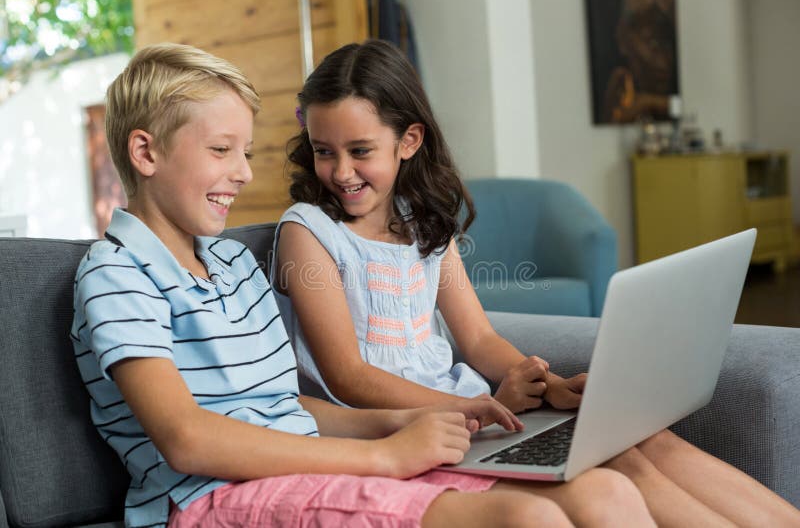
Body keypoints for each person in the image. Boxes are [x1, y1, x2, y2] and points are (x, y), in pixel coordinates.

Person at [71, 42, 658, 528]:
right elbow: (186, 440)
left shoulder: (233, 265)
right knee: (532, 520)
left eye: (245, 153)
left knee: (602, 495)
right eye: (222, 151)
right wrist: (380, 454)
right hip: (208, 497)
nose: (245, 173)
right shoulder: (117, 274)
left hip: (311, 466)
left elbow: (291, 407)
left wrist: (404, 425)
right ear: (145, 152)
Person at [273, 39, 800, 527]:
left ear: (409, 140)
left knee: (648, 444)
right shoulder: (310, 232)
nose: (341, 172)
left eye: (360, 150)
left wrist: (544, 385)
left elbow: (478, 338)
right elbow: (347, 377)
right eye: (324, 151)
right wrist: (467, 408)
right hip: (406, 428)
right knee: (623, 473)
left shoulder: (420, 221)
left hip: (473, 416)